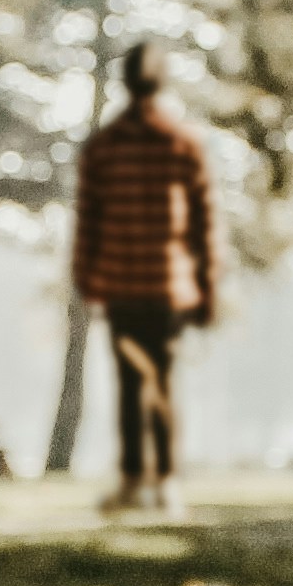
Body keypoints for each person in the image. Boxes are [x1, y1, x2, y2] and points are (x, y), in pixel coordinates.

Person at [70, 42, 222, 516]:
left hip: (123, 284)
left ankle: (139, 480)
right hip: (165, 285)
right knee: (160, 379)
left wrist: (86, 277)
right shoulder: (181, 143)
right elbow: (200, 222)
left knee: (132, 383)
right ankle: (162, 482)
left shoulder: (105, 147)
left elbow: (88, 221)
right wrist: (206, 286)